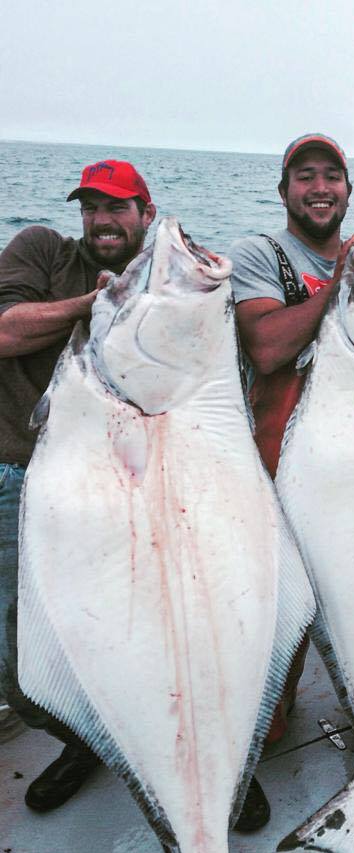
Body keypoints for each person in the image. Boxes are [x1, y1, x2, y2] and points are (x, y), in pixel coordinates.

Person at [0, 159, 156, 810]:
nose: (101, 219)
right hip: (21, 479)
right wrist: (94, 305)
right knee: (18, 660)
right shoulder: (41, 250)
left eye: (117, 206)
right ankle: (86, 742)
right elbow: (5, 332)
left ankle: (174, 749)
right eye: (90, 206)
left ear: (146, 214)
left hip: (126, 487)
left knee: (150, 633)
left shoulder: (164, 280)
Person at [229, 133, 354, 829]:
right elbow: (268, 347)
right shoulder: (260, 256)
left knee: (353, 613)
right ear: (284, 192)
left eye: (331, 176)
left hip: (351, 479)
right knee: (262, 623)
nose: (319, 187)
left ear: (346, 189)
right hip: (273, 478)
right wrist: (344, 287)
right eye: (304, 177)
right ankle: (247, 739)